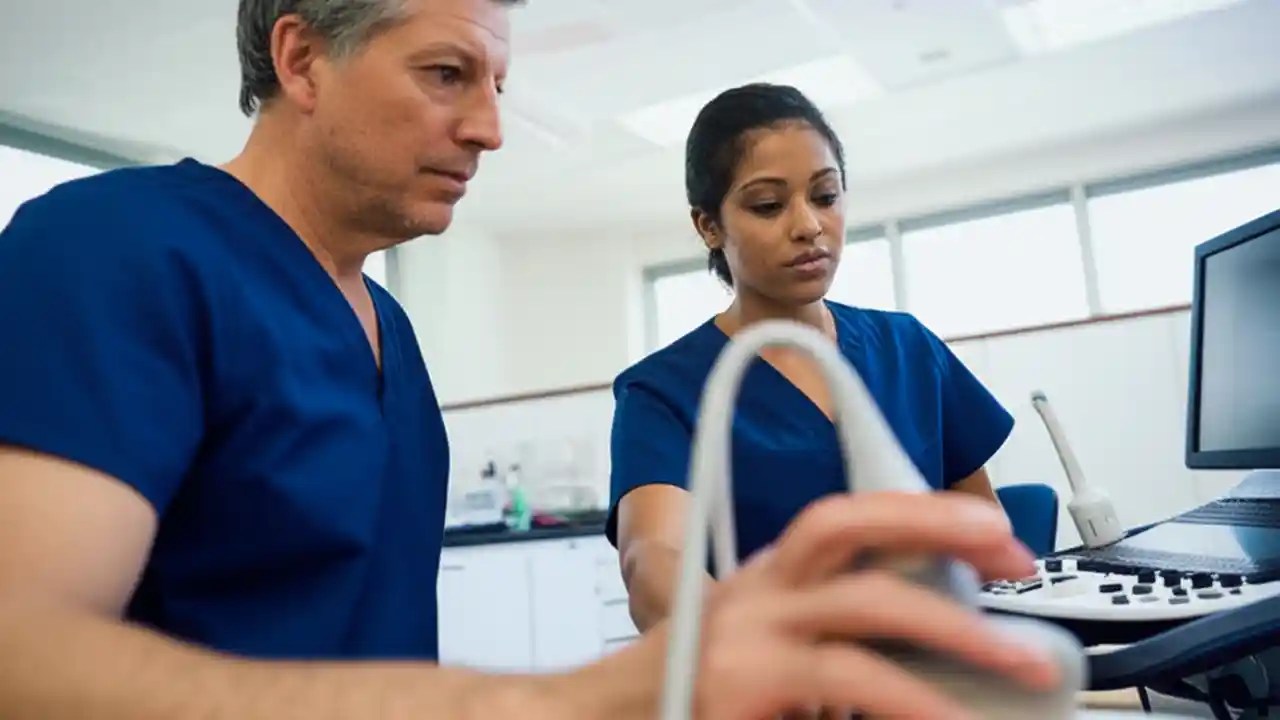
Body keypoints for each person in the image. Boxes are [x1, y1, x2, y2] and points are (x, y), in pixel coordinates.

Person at [0, 1, 1060, 717]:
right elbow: (21, 654)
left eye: (496, 83)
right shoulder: (112, 248)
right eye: (447, 74)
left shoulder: (387, 335)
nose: (491, 129)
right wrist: (552, 698)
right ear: (301, 58)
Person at [609, 83, 1018, 632]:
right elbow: (654, 561)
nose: (808, 226)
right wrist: (755, 649)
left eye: (825, 196)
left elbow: (984, 529)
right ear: (709, 225)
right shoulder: (663, 392)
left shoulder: (908, 348)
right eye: (768, 206)